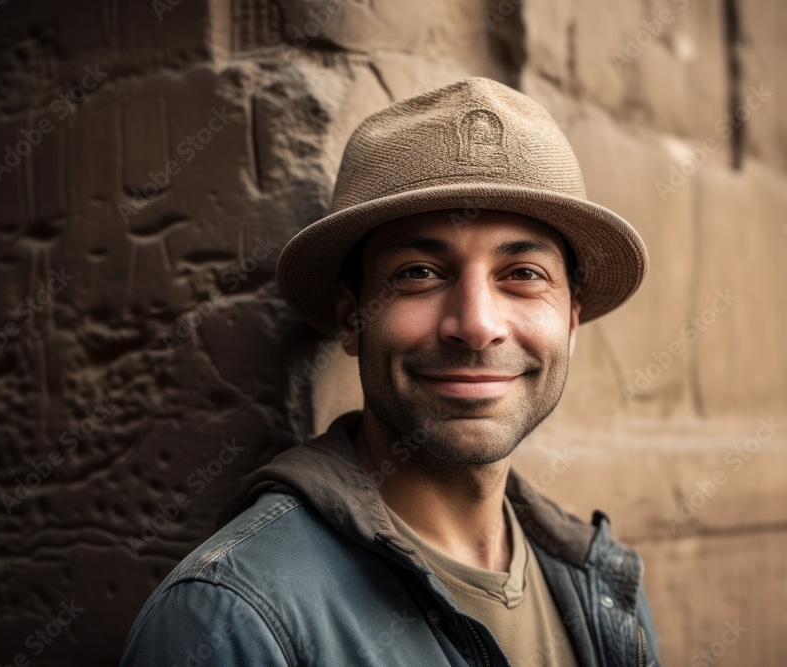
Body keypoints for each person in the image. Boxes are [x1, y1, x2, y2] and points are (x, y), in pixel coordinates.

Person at [121, 76, 661, 666]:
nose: (477, 325)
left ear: (571, 320)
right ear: (353, 319)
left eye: (524, 274)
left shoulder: (605, 590)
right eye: (419, 273)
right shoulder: (234, 620)